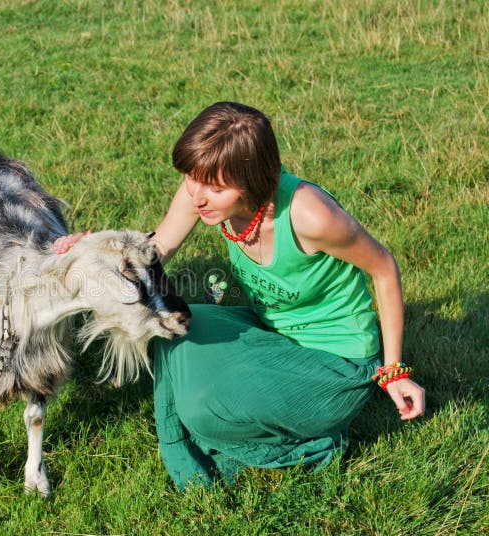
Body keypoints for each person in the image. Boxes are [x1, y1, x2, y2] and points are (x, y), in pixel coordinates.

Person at [53, 101, 425, 489]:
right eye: (193, 179)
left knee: (202, 410)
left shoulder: (310, 215)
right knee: (169, 328)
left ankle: (315, 445)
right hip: (272, 332)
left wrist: (394, 370)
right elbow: (154, 250)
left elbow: (383, 266)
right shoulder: (200, 191)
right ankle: (190, 447)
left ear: (252, 179)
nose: (197, 196)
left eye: (215, 188)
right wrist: (91, 249)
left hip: (335, 363)